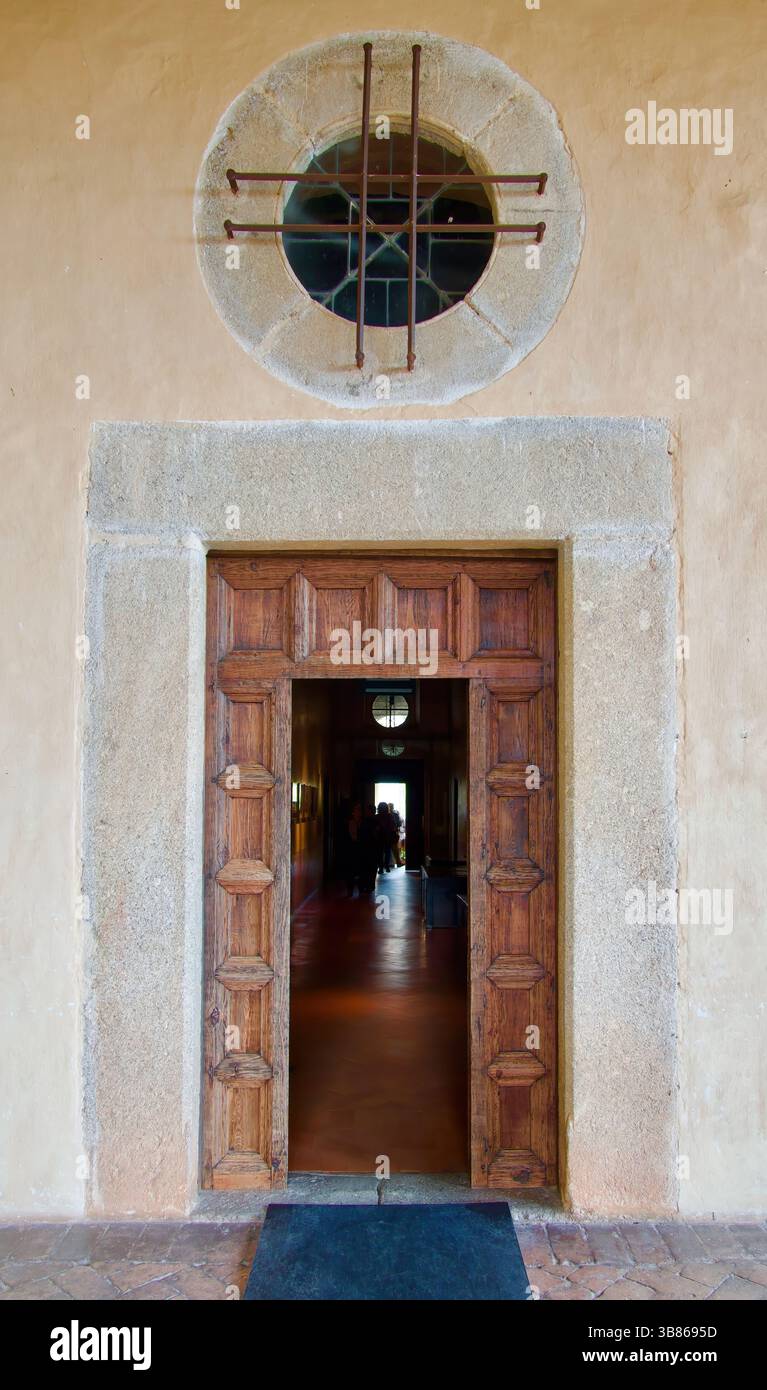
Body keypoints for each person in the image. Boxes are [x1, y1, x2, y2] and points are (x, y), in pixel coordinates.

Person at [358, 803, 379, 894]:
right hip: (373, 847)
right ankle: (370, 885)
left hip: (365, 847)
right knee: (372, 867)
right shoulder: (376, 821)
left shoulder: (364, 821)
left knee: (365, 867)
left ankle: (364, 885)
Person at [375, 801, 396, 873]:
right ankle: (386, 866)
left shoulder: (377, 816)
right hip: (387, 837)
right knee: (387, 852)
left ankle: (381, 868)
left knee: (379, 853)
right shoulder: (389, 816)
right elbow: (393, 826)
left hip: (379, 838)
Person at [388, 801, 403, 867]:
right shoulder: (395, 814)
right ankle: (398, 862)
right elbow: (399, 824)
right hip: (393, 833)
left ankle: (390, 863)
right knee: (395, 849)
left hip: (389, 834)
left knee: (390, 849)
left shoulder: (385, 815)